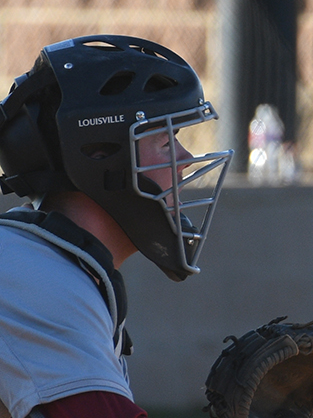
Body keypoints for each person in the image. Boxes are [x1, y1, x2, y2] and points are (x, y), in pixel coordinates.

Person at [0, 35, 233, 418]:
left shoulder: (46, 266)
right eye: (165, 141)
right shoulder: (36, 277)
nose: (186, 159)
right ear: (99, 156)